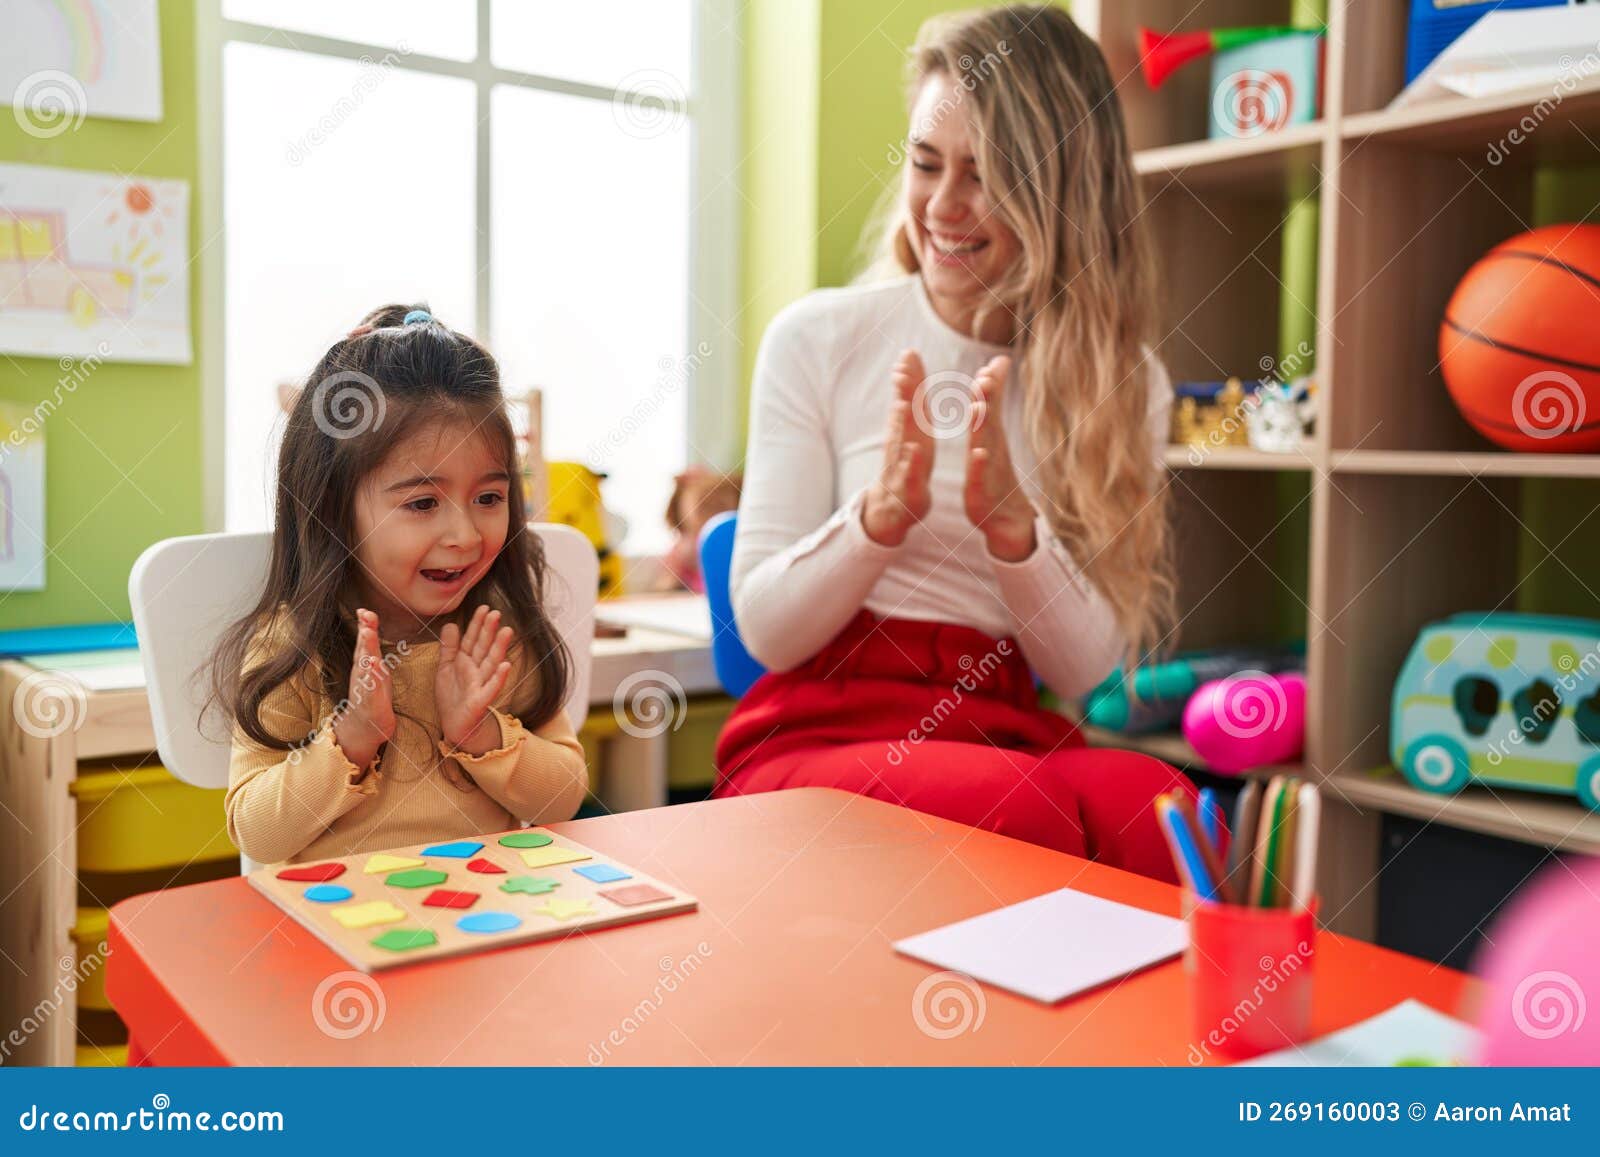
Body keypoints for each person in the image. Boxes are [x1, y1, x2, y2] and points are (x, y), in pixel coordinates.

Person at [716, 5, 1199, 883]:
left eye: (987, 175)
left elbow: (1085, 668)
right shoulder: (818, 338)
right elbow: (768, 633)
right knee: (1021, 810)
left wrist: (1017, 537)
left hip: (1000, 721)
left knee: (1162, 807)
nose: (944, 206)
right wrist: (875, 522)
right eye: (926, 164)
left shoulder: (1125, 382)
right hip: (821, 725)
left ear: (1061, 191)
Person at [211, 304, 588, 866]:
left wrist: (480, 733)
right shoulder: (294, 644)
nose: (464, 534)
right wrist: (352, 738)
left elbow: (564, 797)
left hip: (487, 914)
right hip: (333, 928)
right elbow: (257, 835)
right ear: (333, 510)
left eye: (489, 497)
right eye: (422, 503)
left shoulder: (495, 634)